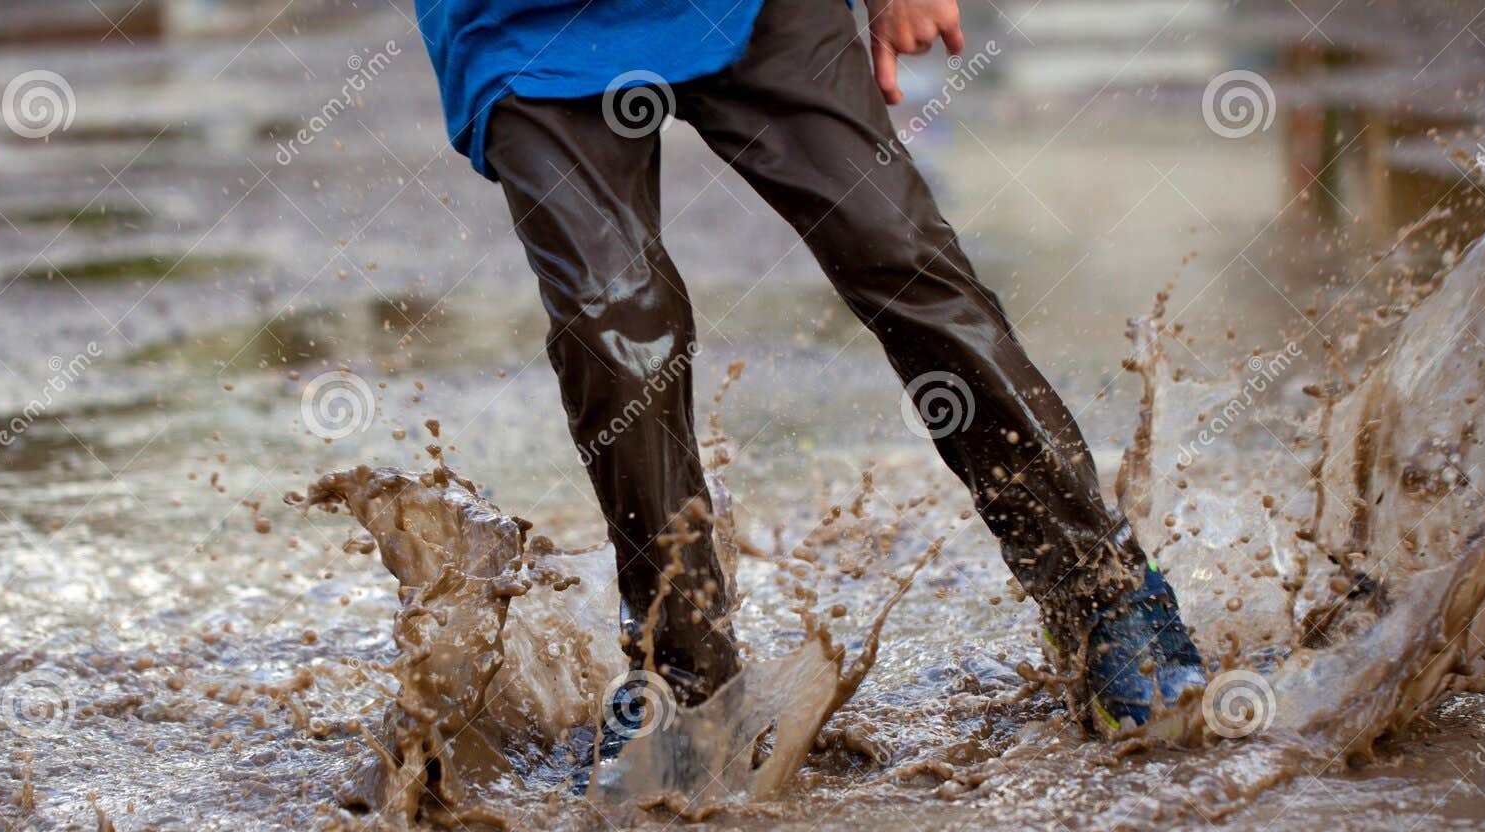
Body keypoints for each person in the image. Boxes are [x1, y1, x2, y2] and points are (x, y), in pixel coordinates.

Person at [412, 0, 1206, 741]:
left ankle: (1098, 589)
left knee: (891, 245)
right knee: (617, 321)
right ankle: (686, 676)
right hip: (526, 20)